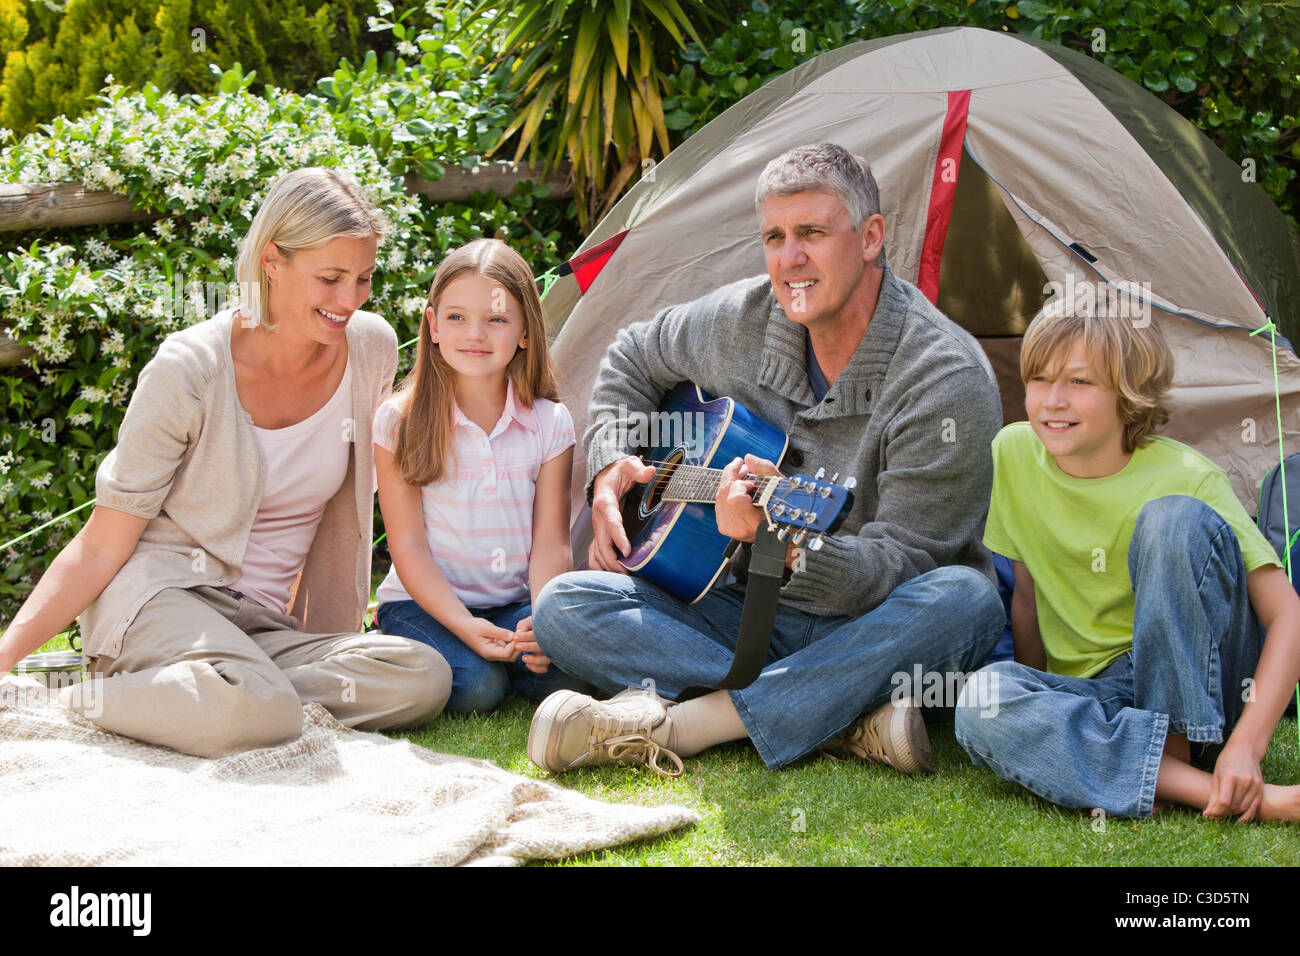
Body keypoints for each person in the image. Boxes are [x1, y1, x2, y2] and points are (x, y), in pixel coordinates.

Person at [526, 143, 1007, 777]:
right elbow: (630, 355)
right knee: (565, 605)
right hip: (736, 613)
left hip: (872, 627)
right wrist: (612, 459)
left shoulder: (944, 379)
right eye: (774, 236)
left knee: (966, 599)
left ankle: (695, 723)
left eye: (812, 232)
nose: (790, 259)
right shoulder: (742, 320)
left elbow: (906, 566)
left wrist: (780, 543)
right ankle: (845, 718)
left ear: (870, 238)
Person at [0, 167, 450, 757]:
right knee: (256, 705)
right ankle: (61, 698)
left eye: (363, 278)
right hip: (162, 597)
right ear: (271, 261)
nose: (350, 299)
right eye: (331, 278)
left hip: (266, 628)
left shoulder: (370, 347)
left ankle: (215, 693)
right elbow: (103, 540)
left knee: (422, 676)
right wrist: (5, 659)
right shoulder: (189, 368)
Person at [953, 300, 1300, 821]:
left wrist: (1248, 744)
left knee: (1171, 521)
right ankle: (1208, 792)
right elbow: (1026, 598)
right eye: (1040, 378)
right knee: (981, 699)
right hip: (1102, 700)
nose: (1053, 400)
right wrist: (1036, 705)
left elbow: (1287, 614)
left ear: (1130, 396)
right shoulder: (1013, 453)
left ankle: (1176, 752)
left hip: (1203, 691)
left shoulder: (1189, 477)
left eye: (1080, 383)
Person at [373, 239, 593, 714]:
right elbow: (407, 547)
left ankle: (510, 656)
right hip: (423, 605)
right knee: (479, 687)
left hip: (512, 605)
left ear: (525, 332)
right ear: (432, 326)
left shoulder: (549, 422)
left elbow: (550, 542)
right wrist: (463, 625)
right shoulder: (398, 420)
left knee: (569, 672)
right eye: (456, 317)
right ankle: (444, 652)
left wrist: (541, 620)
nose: (475, 334)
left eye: (496, 319)